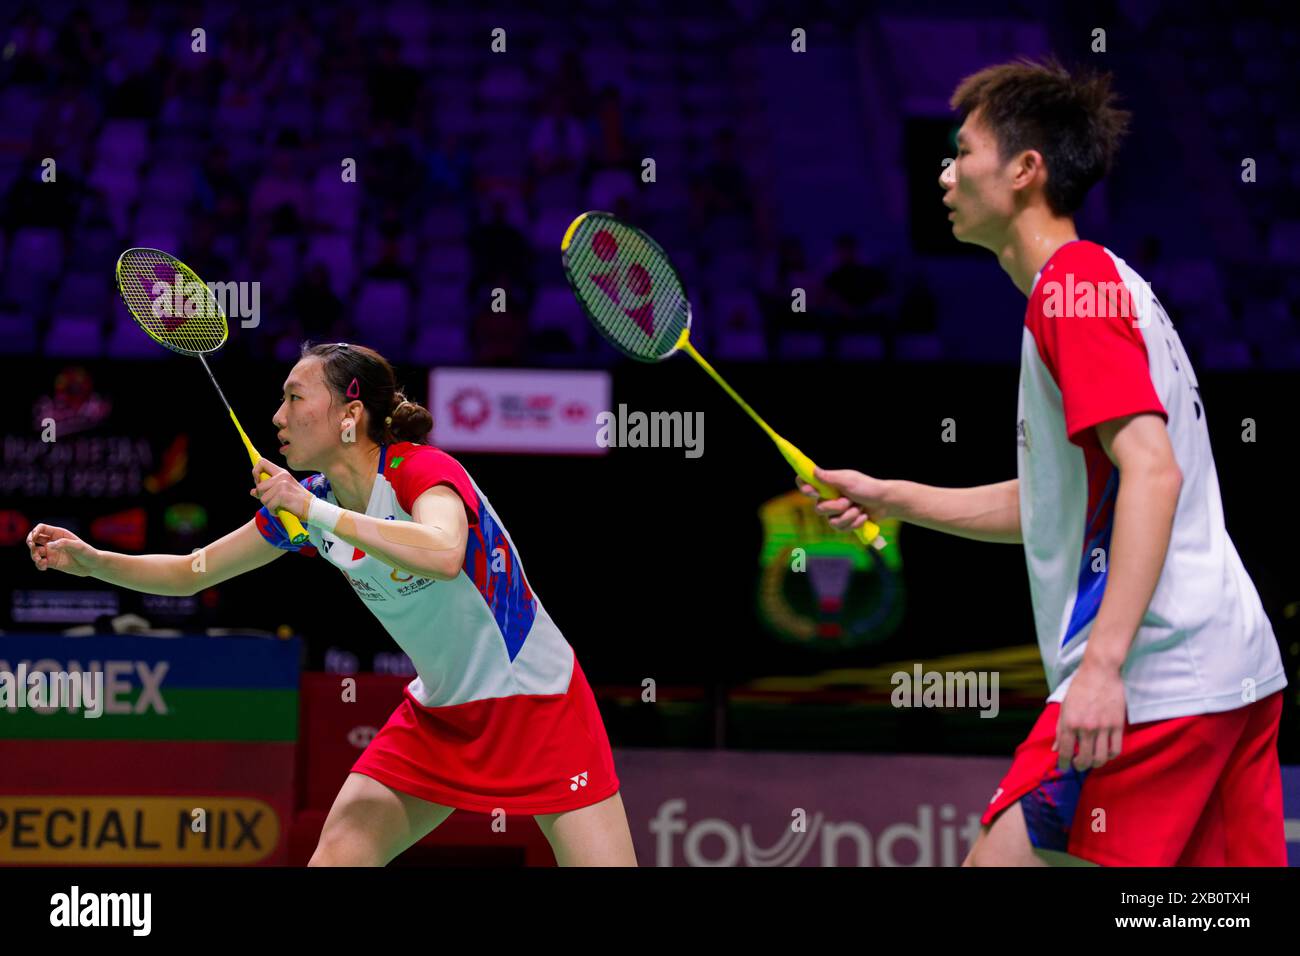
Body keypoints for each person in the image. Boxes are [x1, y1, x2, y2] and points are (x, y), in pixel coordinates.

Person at [803, 57, 1287, 866]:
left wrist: (1101, 668)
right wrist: (894, 497)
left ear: (1025, 169)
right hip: (1230, 670)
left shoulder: (1074, 288)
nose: (945, 173)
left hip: (1157, 680)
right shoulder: (1097, 286)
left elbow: (1153, 472)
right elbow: (1059, 507)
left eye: (963, 152)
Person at [26, 341, 637, 866]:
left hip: (538, 703)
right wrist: (94, 561)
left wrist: (313, 510)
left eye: (295, 398)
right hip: (441, 714)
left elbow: (444, 550)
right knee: (338, 855)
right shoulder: (310, 506)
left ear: (350, 414)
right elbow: (193, 572)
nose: (277, 416)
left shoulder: (419, 471)